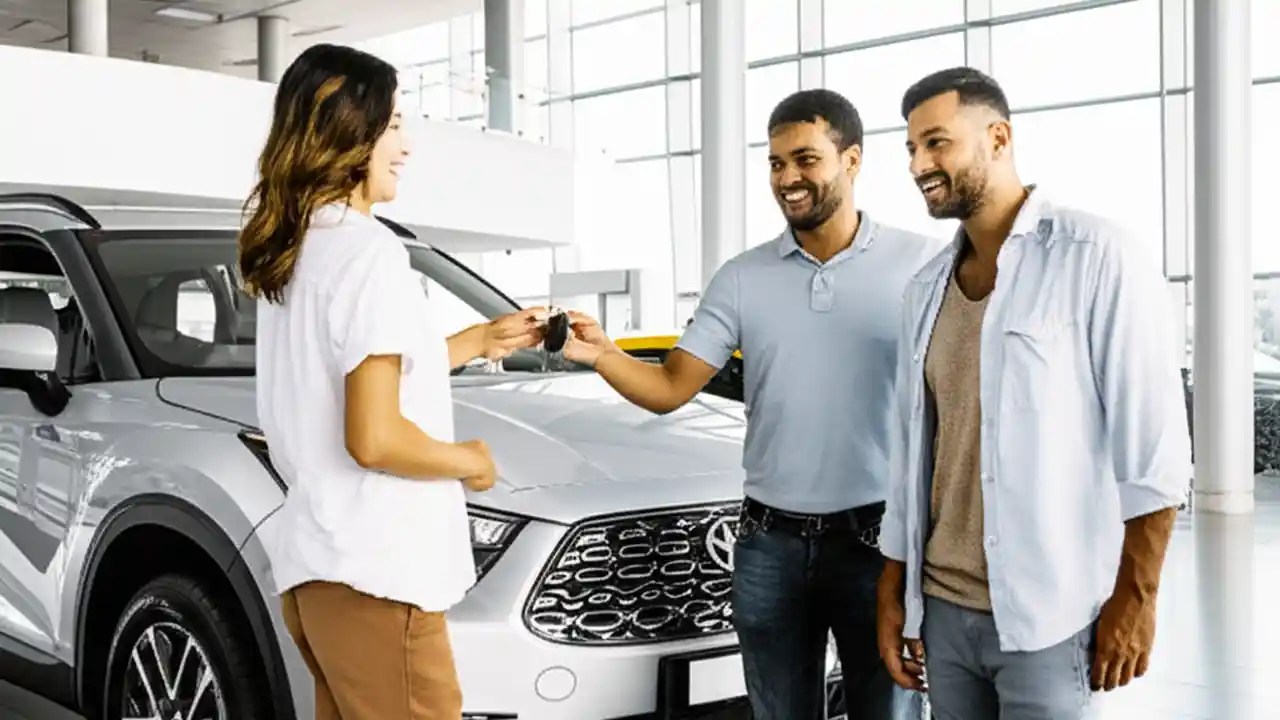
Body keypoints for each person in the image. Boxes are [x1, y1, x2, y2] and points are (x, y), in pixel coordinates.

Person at [561, 89, 942, 720]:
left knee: (890, 713)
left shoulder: (921, 264)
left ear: (851, 160)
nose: (788, 178)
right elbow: (670, 386)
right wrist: (602, 353)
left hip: (880, 545)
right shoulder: (742, 276)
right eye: (774, 164)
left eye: (805, 159)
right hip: (769, 545)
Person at [876, 66, 1193, 720]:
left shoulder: (1096, 255)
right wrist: (893, 590)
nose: (918, 164)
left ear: (998, 137)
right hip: (942, 612)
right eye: (910, 148)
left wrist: (1138, 597)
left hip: (1048, 619)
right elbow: (913, 456)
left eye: (937, 142)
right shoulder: (923, 289)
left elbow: (1155, 446)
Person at [239, 43, 545, 720]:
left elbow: (350, 375)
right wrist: (469, 461)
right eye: (394, 123)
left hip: (321, 573)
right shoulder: (370, 253)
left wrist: (476, 341)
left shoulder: (297, 252)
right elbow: (374, 437)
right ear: (351, 133)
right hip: (380, 578)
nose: (406, 144)